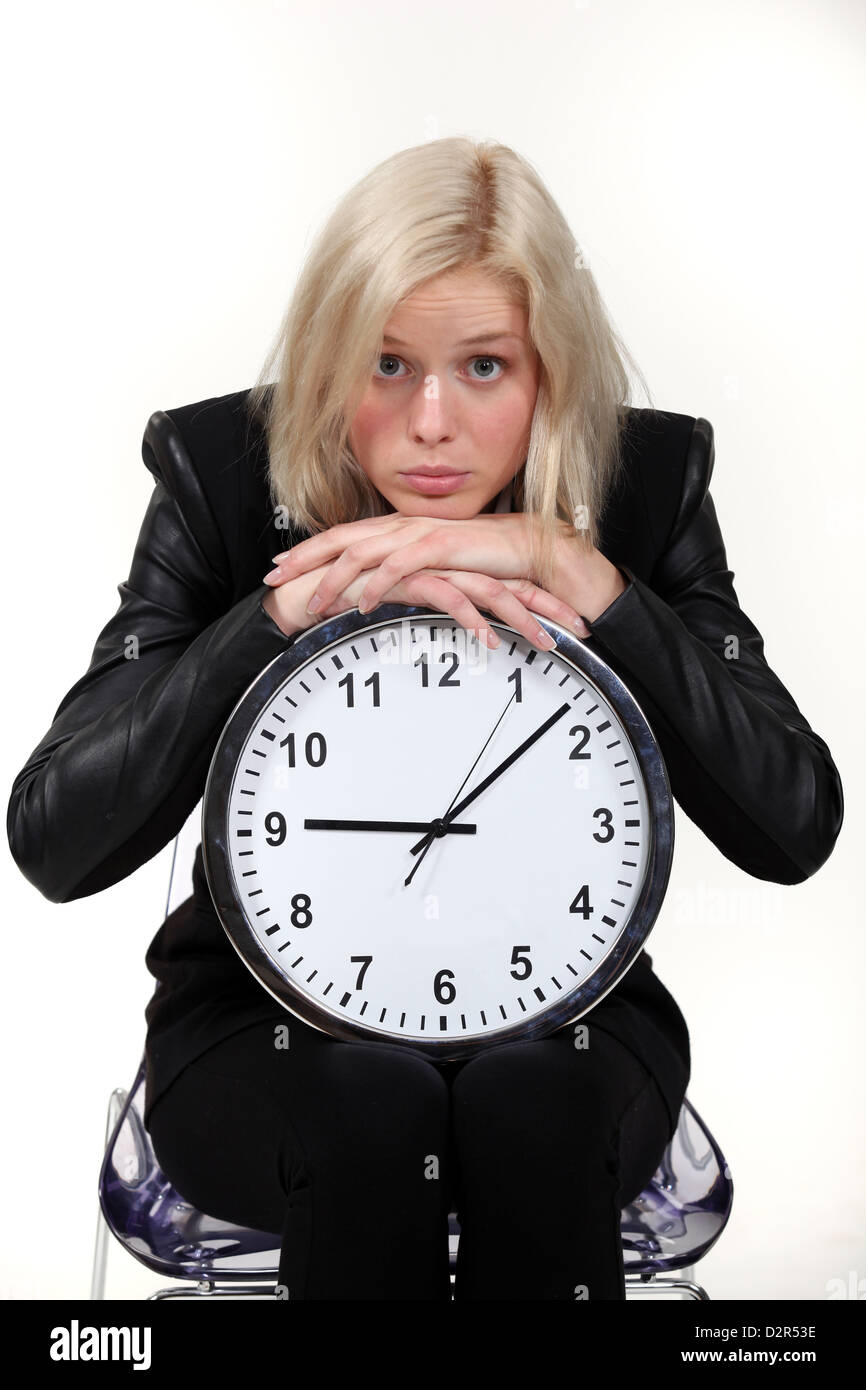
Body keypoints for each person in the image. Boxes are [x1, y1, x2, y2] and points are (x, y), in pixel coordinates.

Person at [7, 137, 843, 1301]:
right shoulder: (220, 470)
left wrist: (579, 570)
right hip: (257, 1024)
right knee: (367, 1097)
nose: (432, 424)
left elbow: (790, 824)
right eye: (386, 364)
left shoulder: (643, 481)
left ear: (551, 368)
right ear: (324, 357)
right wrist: (272, 614)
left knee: (531, 1095)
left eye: (485, 368)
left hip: (572, 1022)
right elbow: (54, 836)